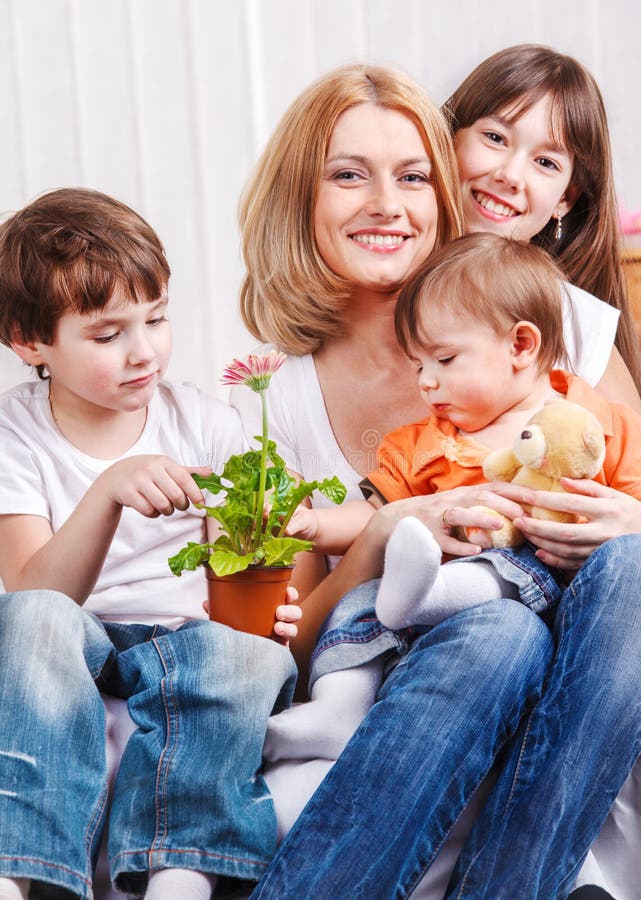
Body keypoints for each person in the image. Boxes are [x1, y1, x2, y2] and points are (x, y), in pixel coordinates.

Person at [229, 50, 641, 900]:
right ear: (301, 197)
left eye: (410, 176)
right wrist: (383, 531)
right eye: (348, 175)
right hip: (403, 669)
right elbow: (280, 649)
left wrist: (627, 523)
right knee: (497, 632)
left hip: (569, 673)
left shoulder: (544, 322)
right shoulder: (267, 400)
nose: (387, 203)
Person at [0, 188, 301, 900]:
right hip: (77, 641)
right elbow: (37, 594)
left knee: (245, 657)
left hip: (183, 639)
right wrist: (108, 491)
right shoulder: (15, 435)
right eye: (107, 335)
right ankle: (30, 870)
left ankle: (181, 871)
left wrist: (266, 603)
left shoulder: (205, 423)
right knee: (27, 620)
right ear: (29, 341)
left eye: (157, 319)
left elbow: (238, 567)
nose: (144, 352)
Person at [262, 232, 641, 760]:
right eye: (418, 365)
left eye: (444, 359)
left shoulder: (600, 427)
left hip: (554, 622)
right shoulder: (422, 445)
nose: (426, 382)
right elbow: (374, 513)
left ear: (521, 346)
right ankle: (337, 706)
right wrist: (315, 527)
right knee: (362, 603)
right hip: (441, 639)